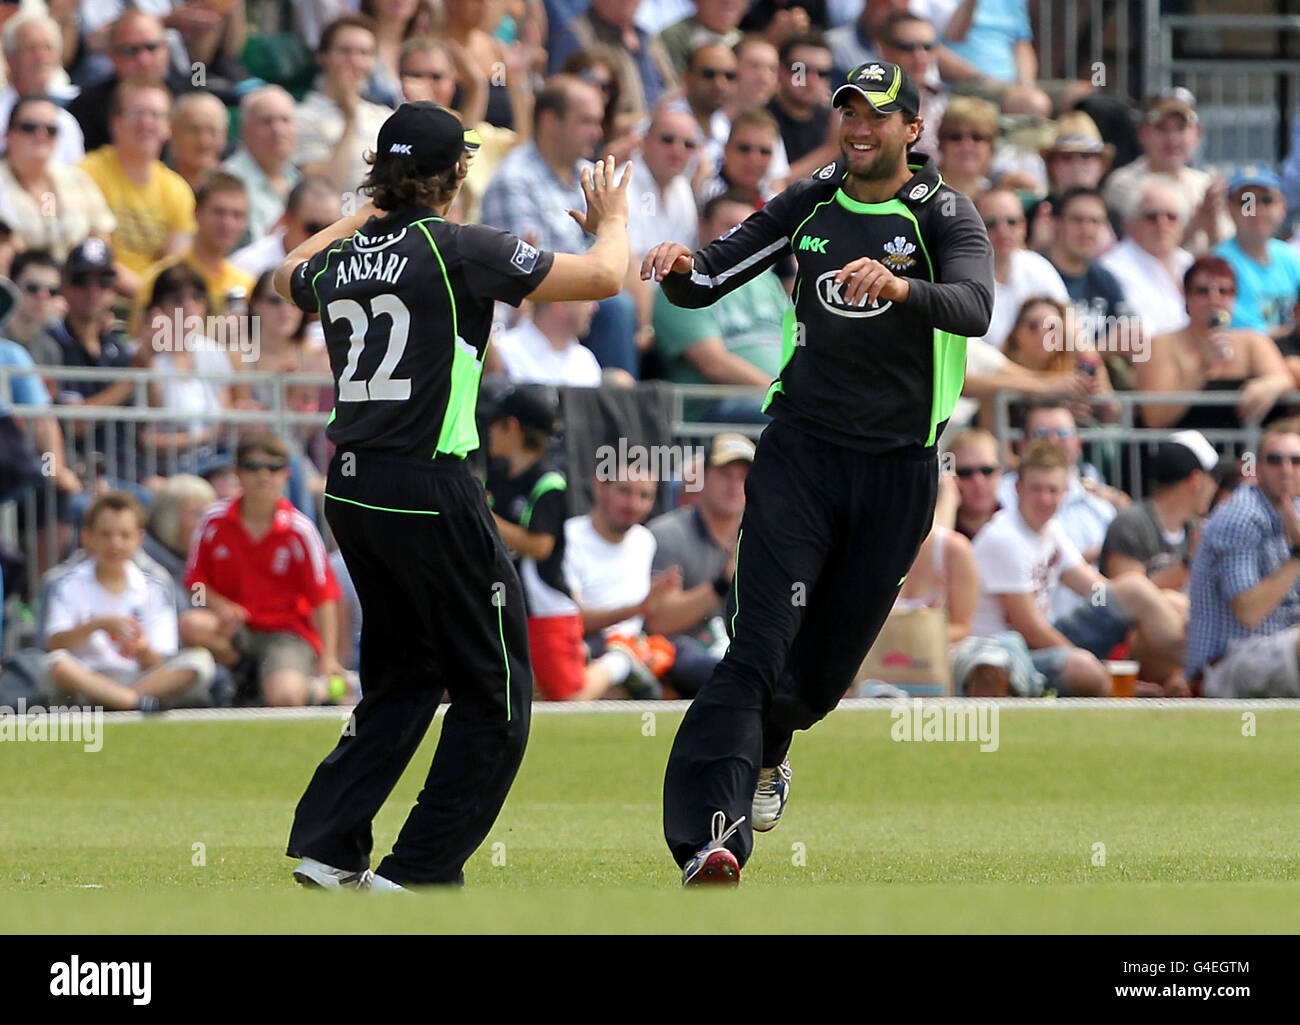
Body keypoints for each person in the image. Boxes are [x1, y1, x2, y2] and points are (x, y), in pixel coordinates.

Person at [644, 60, 993, 885]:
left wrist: (904, 289)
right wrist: (679, 265)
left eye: (877, 116)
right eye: (849, 115)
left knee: (819, 682)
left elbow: (976, 308)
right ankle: (711, 837)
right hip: (800, 455)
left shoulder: (945, 213)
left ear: (913, 128)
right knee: (758, 648)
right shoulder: (812, 198)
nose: (860, 129)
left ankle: (771, 747)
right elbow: (715, 273)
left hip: (898, 473)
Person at [276, 101, 632, 890]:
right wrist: (612, 218)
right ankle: (421, 867)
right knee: (499, 687)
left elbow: (283, 275)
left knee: (404, 678)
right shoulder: (462, 248)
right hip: (429, 484)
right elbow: (606, 276)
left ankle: (331, 846)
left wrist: (366, 216)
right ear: (455, 175)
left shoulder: (342, 260)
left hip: (354, 489)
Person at [971, 440, 1186, 696]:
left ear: (1065, 492)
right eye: (1036, 489)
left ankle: (1185, 671)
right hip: (1008, 654)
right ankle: (1189, 673)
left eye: (1053, 490)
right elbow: (1030, 629)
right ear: (1018, 488)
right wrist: (1100, 666)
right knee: (1083, 667)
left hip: (1044, 638)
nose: (1044, 499)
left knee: (1154, 596)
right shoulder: (1005, 537)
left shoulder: (1050, 530)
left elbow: (1094, 586)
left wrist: (1147, 610)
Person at [181, 432, 343, 707]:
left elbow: (324, 597)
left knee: (286, 697)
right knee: (190, 624)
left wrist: (329, 658)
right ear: (238, 473)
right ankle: (251, 680)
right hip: (236, 629)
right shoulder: (213, 520)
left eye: (274, 467)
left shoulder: (299, 529)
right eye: (253, 466)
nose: (264, 475)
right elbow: (194, 582)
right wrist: (220, 605)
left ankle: (313, 690)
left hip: (287, 633)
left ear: (286, 475)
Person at [42, 491, 216, 712]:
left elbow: (159, 658)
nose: (115, 543)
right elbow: (54, 644)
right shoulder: (67, 582)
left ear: (139, 539)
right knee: (56, 663)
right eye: (105, 535)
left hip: (142, 679)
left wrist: (141, 649)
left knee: (200, 661)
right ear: (87, 537)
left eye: (124, 535)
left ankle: (119, 700)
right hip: (86, 678)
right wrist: (99, 624)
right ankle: (131, 703)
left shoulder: (154, 585)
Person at [485, 386, 597, 700]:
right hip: (501, 603)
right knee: (509, 693)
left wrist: (482, 514)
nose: (488, 430)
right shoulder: (494, 476)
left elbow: (541, 546)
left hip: (545, 606)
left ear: (513, 427)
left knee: (567, 696)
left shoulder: (549, 481)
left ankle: (618, 664)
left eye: (495, 421)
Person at [1185, 420, 1300, 696]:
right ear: (1257, 469)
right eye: (1275, 460)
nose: (1286, 469)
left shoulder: (1295, 509)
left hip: (1278, 651)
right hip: (1225, 665)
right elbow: (1249, 611)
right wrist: (1297, 556)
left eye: (1296, 461)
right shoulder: (1239, 516)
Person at [651, 191, 785, 422]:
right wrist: (784, 398)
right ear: (702, 227)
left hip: (775, 403)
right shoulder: (684, 284)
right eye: (729, 227)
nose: (739, 238)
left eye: (746, 230)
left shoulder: (769, 281)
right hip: (716, 410)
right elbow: (714, 364)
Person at [1137, 257, 1292, 432]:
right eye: (1203, 291)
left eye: (1224, 291)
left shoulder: (1252, 341)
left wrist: (1268, 385)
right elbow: (1155, 417)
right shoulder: (1161, 345)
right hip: (1180, 448)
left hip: (1244, 453)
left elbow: (1284, 378)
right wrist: (1201, 367)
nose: (1214, 299)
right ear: (1186, 296)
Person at [79, 82, 196, 300]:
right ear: (115, 124)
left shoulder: (178, 190)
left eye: (156, 115)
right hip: (98, 295)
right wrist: (149, 293)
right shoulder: (87, 173)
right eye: (137, 113)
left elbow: (175, 268)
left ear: (168, 128)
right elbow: (96, 257)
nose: (146, 123)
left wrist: (153, 297)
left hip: (156, 306)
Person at [1102, 88, 1231, 256]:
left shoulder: (1205, 183)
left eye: (1181, 128)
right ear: (1143, 133)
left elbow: (1225, 251)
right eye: (1162, 128)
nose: (1172, 138)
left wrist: (1212, 224)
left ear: (1197, 134)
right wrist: (1198, 222)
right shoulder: (1123, 183)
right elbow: (1147, 249)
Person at [0, 94, 115, 263]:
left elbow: (102, 241)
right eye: (29, 127)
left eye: (51, 129)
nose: (41, 134)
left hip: (77, 282)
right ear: (8, 134)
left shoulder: (77, 180)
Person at [1101, 430, 1218, 592]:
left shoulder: (1195, 528)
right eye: (1213, 478)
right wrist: (1189, 561)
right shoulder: (1130, 524)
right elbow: (1126, 600)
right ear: (1196, 480)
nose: (1215, 487)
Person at [293, 15, 393, 196]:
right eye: (346, 51)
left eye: (364, 53)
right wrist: (351, 120)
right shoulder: (301, 117)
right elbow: (325, 188)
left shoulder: (385, 117)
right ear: (323, 57)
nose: (355, 62)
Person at [1098, 177, 1195, 341]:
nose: (1162, 224)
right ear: (1129, 222)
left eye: (1171, 217)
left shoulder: (1189, 262)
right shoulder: (1111, 268)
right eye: (1151, 217)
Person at [974, 186, 1069, 350]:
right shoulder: (960, 275)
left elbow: (1069, 327)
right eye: (991, 224)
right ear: (973, 228)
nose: (1003, 231)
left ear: (1024, 226)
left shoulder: (1038, 266)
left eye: (1012, 222)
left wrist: (1091, 363)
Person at [1213, 165, 1300, 339]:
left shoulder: (1289, 256)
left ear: (1283, 206)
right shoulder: (1218, 264)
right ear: (1229, 207)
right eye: (1246, 202)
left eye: (1267, 200)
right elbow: (1248, 336)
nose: (1256, 210)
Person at [0, 12, 85, 167]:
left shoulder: (67, 124)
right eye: (31, 48)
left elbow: (75, 182)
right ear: (9, 58)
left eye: (48, 48)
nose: (41, 56)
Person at [221, 86, 302, 248]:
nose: (278, 130)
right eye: (267, 121)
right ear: (244, 131)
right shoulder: (228, 181)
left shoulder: (299, 180)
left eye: (285, 120)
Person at [490, 299, 605, 387]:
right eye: (586, 299)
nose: (595, 307)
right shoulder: (504, 352)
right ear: (560, 304)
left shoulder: (586, 360)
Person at [166, 91, 228, 193]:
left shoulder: (237, 190)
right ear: (172, 132)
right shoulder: (155, 183)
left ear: (224, 136)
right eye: (193, 130)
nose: (204, 142)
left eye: (212, 131)